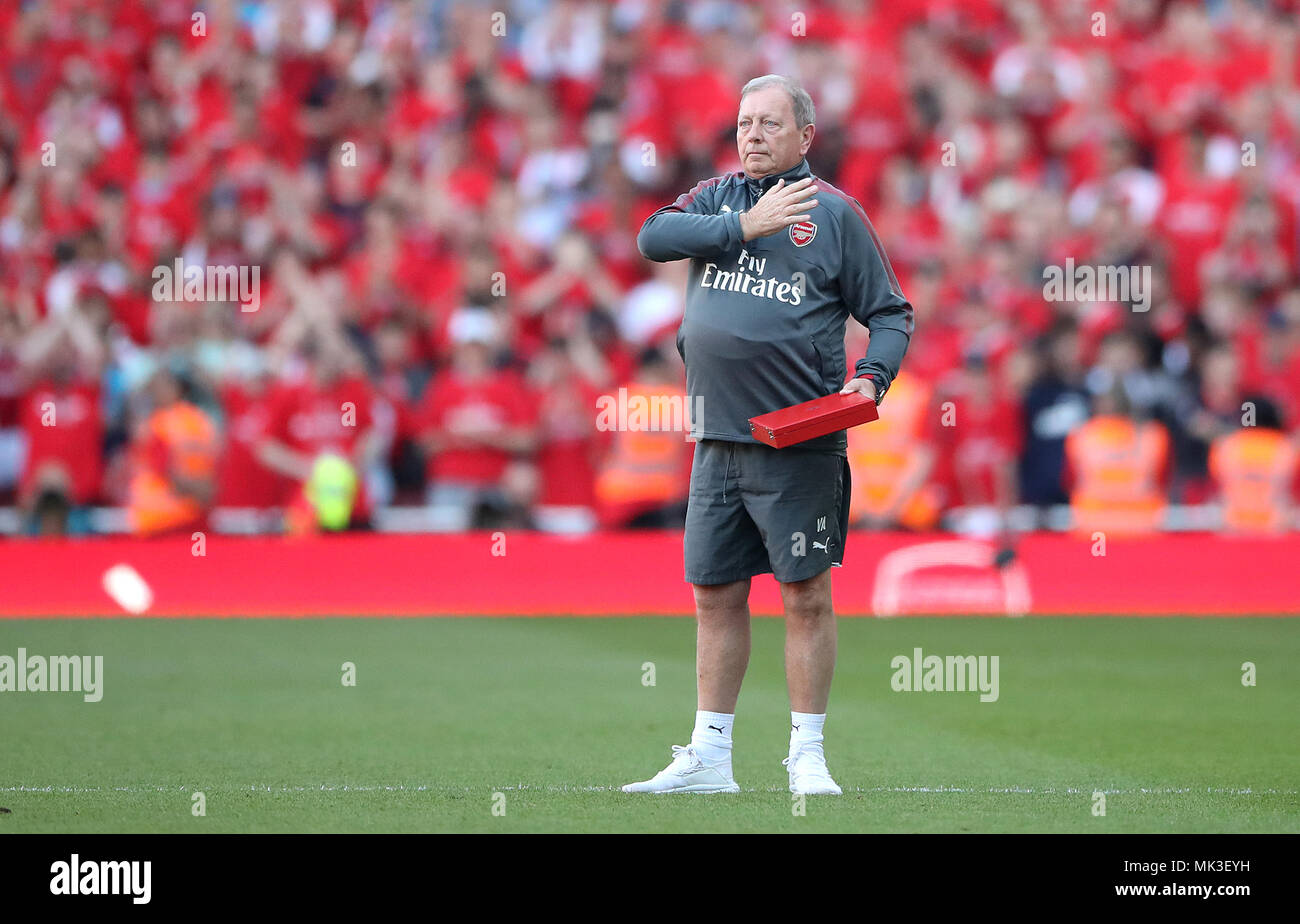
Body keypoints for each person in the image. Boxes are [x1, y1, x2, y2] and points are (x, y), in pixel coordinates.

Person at [622, 75, 912, 796]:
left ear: (805, 137)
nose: (751, 135)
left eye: (768, 124)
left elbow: (892, 313)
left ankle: (807, 754)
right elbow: (652, 237)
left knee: (805, 594)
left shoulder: (837, 216)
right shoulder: (716, 199)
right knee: (714, 594)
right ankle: (710, 756)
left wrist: (871, 377)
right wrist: (741, 229)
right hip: (717, 434)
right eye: (745, 122)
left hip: (797, 440)